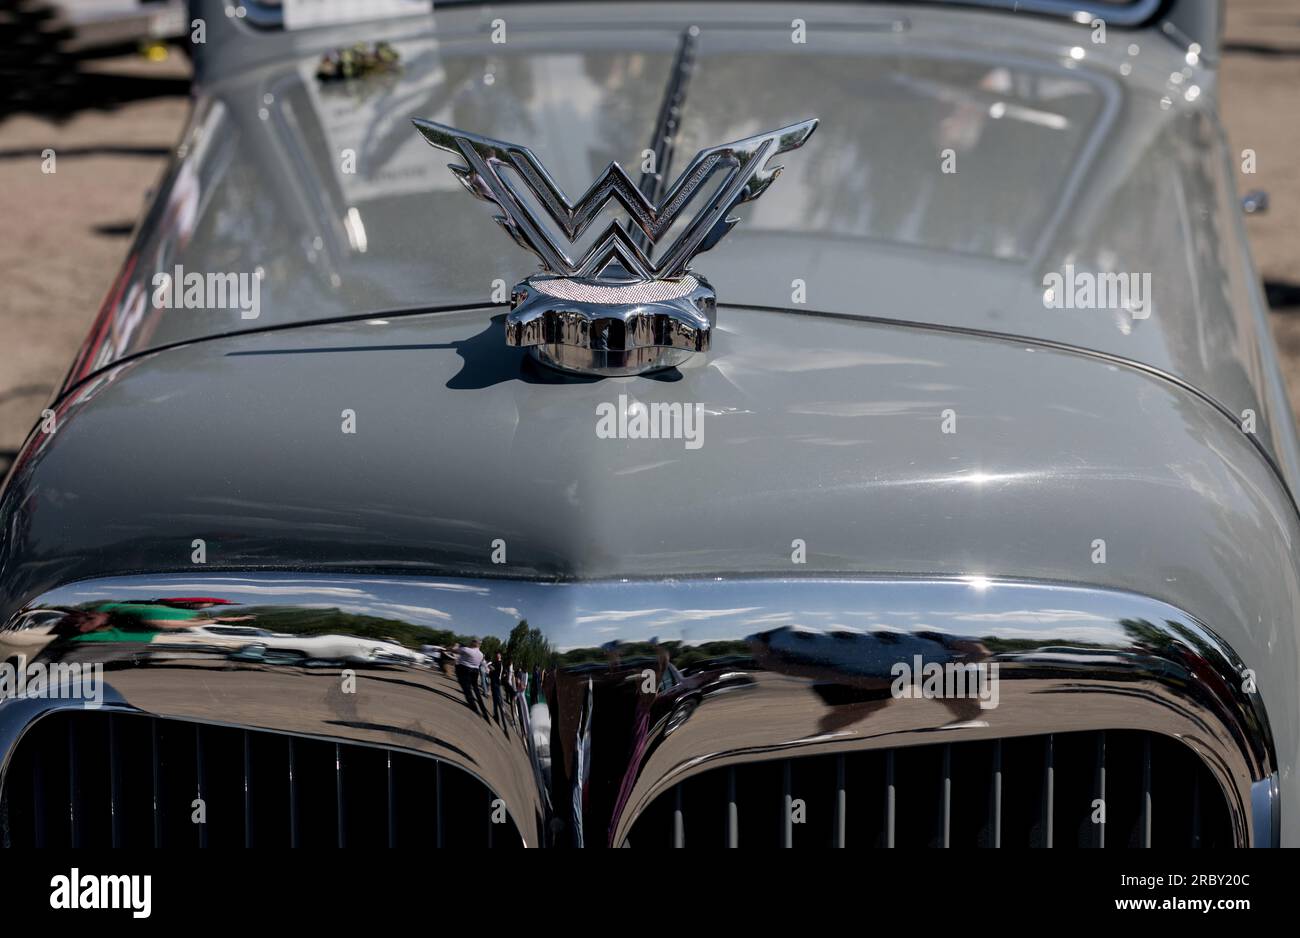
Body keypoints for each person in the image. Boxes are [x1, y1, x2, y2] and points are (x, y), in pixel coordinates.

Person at [455, 639, 489, 718]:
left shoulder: (467, 649)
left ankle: (474, 707)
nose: (470, 642)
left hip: (465, 669)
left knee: (467, 689)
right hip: (475, 671)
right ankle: (482, 708)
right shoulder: (481, 654)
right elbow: (481, 662)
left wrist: (455, 646)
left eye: (472, 642)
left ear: (474, 643)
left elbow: (455, 650)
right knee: (476, 689)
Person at [489, 651, 505, 726]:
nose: (497, 656)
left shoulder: (500, 663)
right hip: (493, 682)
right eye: (496, 655)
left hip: (496, 683)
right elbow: (490, 667)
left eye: (498, 655)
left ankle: (500, 716)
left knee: (498, 700)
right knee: (495, 701)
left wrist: (492, 669)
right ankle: (496, 715)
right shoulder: (495, 662)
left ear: (500, 656)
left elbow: (495, 670)